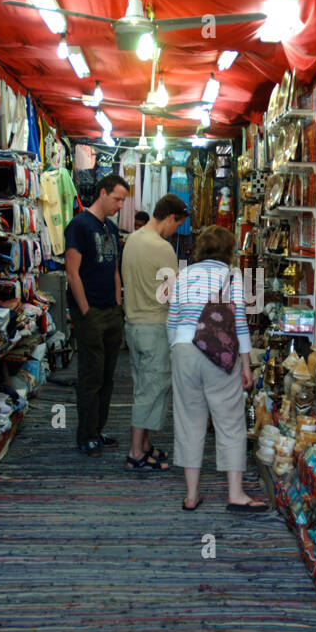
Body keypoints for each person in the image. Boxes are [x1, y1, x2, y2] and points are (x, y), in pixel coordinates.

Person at [166, 225, 266, 512]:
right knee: (230, 421)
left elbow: (172, 320)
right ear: (229, 250)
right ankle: (235, 494)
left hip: (185, 350)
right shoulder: (232, 276)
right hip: (219, 356)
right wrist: (246, 364)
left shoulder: (182, 274)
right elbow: (239, 323)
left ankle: (191, 495)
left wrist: (177, 348)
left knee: (188, 421)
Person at [121, 194, 188, 472]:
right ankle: (136, 451)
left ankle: (145, 445)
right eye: (178, 225)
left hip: (133, 324)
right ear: (171, 218)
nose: (176, 231)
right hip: (154, 326)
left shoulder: (133, 239)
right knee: (152, 390)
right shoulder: (163, 248)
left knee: (143, 386)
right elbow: (174, 295)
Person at [65, 174, 129, 457]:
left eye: (123, 201)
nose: (119, 205)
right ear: (102, 193)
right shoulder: (79, 225)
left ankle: (98, 429)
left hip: (111, 310)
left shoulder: (111, 229)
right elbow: (72, 271)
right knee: (91, 375)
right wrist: (85, 310)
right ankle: (86, 434)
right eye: (117, 199)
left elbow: (115, 269)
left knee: (107, 375)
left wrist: (117, 302)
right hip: (90, 311)